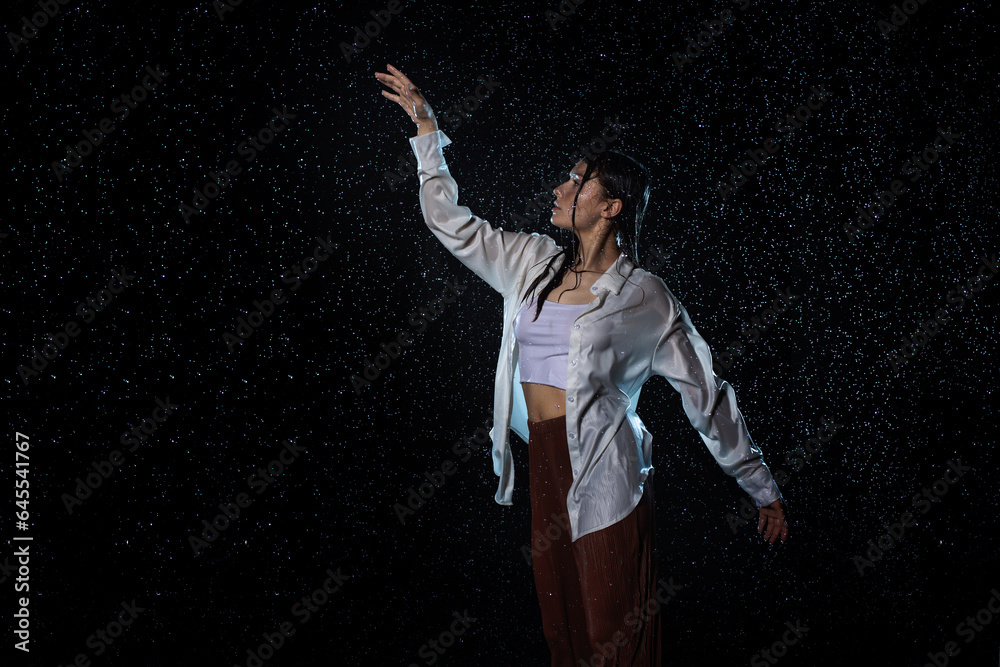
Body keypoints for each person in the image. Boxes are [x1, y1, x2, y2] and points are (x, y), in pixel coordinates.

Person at [376, 64, 790, 667]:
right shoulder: (532, 261)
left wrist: (760, 487)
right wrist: (427, 133)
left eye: (577, 182)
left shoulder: (645, 296)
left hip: (607, 473)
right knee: (562, 629)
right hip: (544, 461)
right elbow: (451, 224)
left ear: (612, 206)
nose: (560, 189)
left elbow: (708, 395)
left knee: (613, 631)